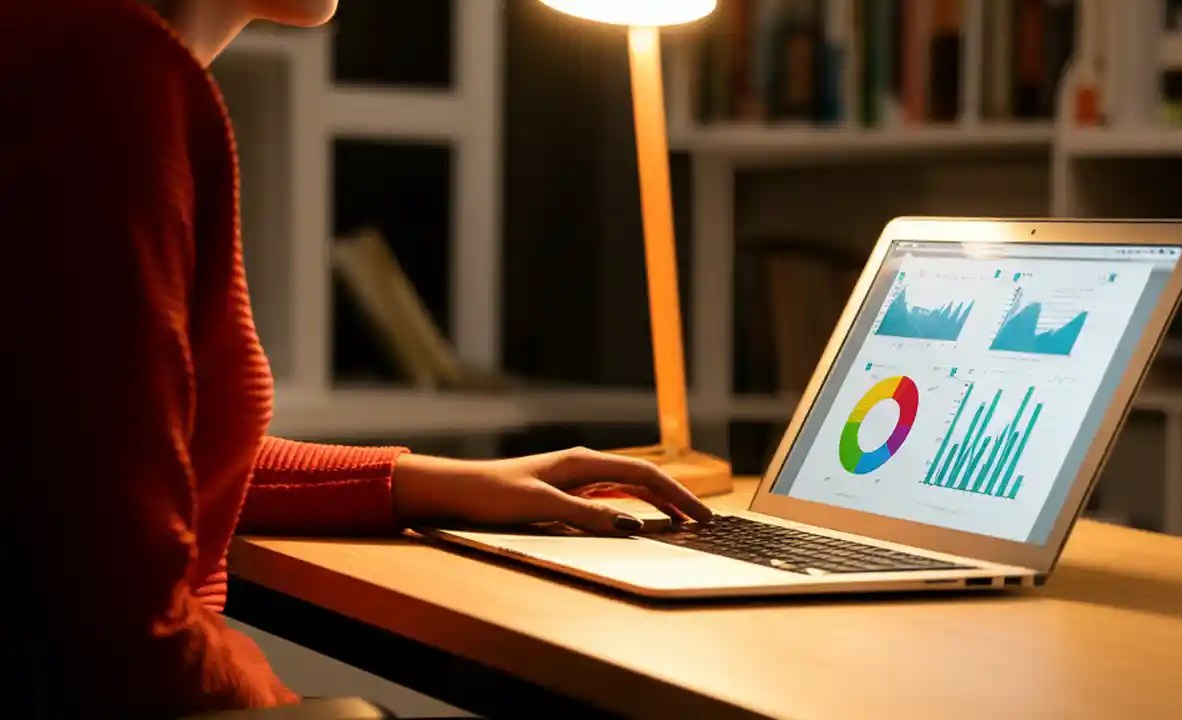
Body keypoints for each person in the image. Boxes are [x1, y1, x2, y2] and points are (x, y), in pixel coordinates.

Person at [1, 0, 713, 716]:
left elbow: (93, 472)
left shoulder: (83, 51)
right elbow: (119, 630)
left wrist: (434, 484)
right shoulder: (105, 78)